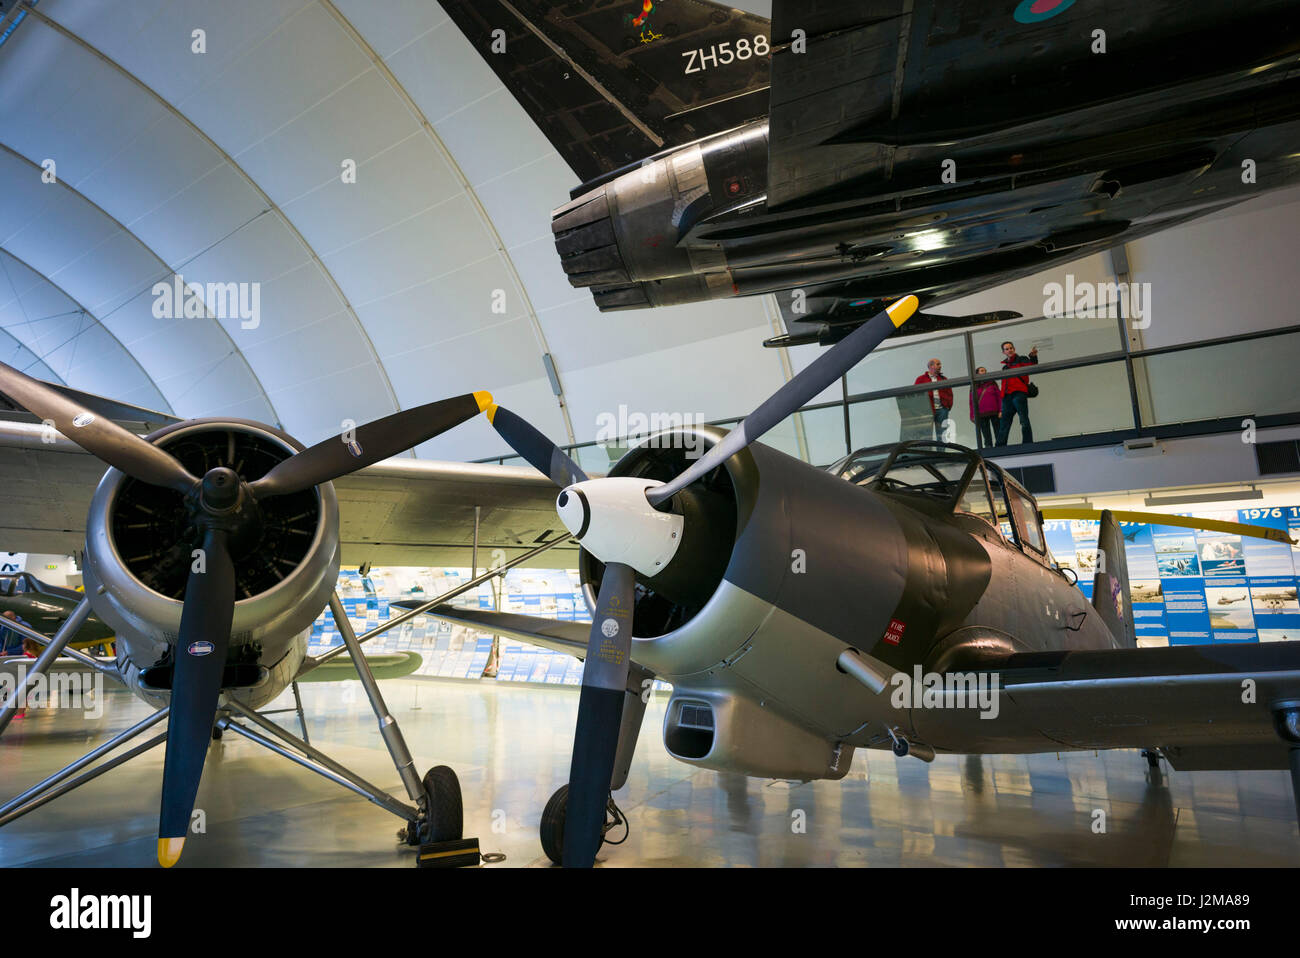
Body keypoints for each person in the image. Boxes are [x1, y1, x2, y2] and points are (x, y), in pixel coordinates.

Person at [994, 341, 1038, 446]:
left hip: (1018, 393)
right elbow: (1004, 385)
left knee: (1023, 419)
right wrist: (1002, 400)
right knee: (1004, 423)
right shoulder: (1004, 367)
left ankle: (1027, 443)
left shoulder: (1021, 359)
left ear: (1014, 349)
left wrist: (1032, 356)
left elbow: (1032, 366)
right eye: (1007, 349)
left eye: (1011, 348)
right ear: (1003, 352)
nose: (1009, 350)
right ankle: (1000, 445)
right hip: (1007, 396)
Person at [914, 358, 953, 442]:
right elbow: (916, 395)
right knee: (926, 434)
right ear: (931, 366)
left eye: (940, 364)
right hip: (927, 411)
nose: (940, 366)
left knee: (942, 434)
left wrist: (947, 407)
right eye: (938, 364)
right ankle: (928, 453)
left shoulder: (944, 379)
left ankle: (941, 454)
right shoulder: (921, 379)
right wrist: (920, 409)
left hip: (942, 410)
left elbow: (950, 394)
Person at [969, 367, 1002, 448]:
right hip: (981, 413)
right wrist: (972, 415)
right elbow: (971, 401)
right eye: (982, 370)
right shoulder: (974, 385)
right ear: (977, 373)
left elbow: (999, 397)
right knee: (985, 432)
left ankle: (1000, 446)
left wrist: (1001, 410)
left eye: (985, 371)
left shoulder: (992, 382)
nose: (985, 372)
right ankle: (988, 447)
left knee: (998, 430)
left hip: (994, 412)